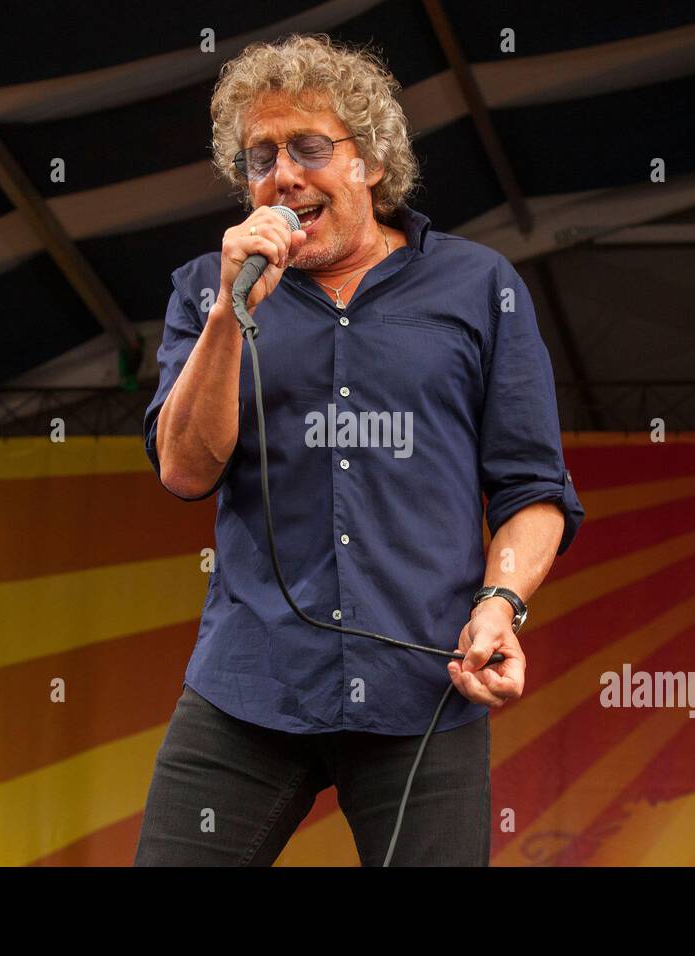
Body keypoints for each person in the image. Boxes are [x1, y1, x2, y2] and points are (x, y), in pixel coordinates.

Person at [134, 33, 583, 866]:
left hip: (424, 687)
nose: (283, 174)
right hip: (251, 682)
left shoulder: (479, 288)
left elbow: (532, 488)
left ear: (372, 161)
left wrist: (501, 605)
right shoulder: (206, 290)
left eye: (308, 147)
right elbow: (184, 470)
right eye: (259, 156)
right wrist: (232, 315)